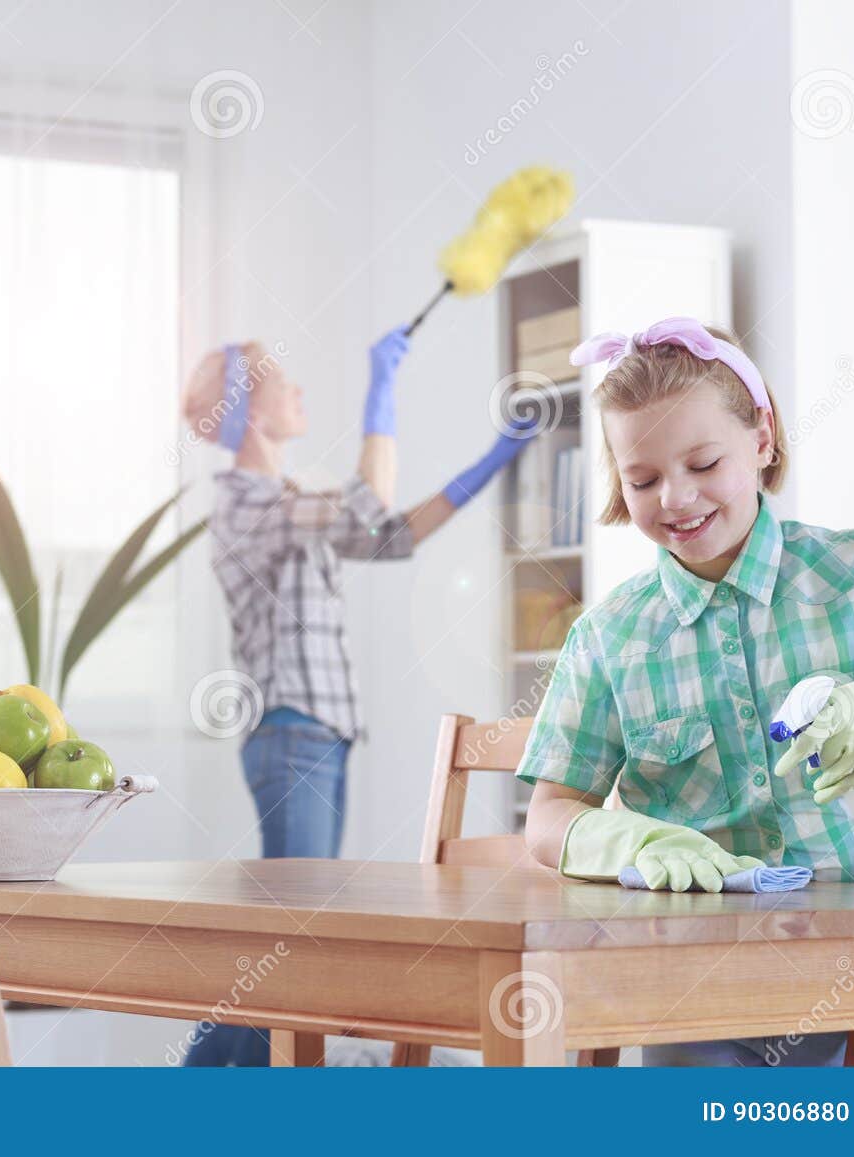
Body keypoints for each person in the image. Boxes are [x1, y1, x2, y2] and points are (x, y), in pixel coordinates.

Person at [517, 317, 854, 1067]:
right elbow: (550, 814)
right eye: (642, 479)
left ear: (763, 440)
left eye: (704, 462)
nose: (675, 498)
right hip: (687, 982)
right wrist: (629, 838)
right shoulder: (610, 635)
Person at [178, 327, 537, 1066]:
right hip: (292, 732)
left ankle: (215, 1090)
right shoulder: (246, 504)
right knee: (290, 937)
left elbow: (389, 536)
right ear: (246, 411)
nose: (300, 390)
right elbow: (372, 506)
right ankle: (198, 1087)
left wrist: (488, 466)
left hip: (318, 734)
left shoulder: (286, 500)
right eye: (282, 380)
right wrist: (383, 391)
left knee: (292, 934)